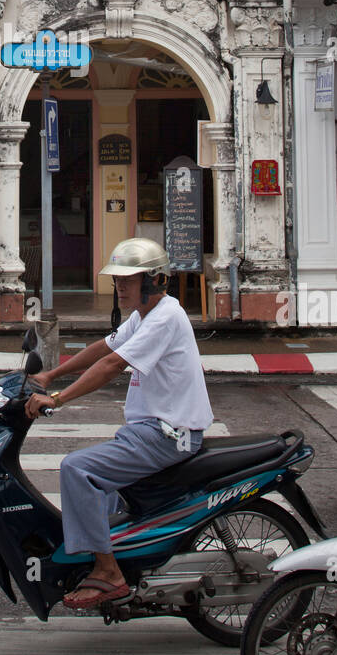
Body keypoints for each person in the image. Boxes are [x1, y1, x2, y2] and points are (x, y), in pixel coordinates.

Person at [25, 237, 213, 611]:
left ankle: (109, 572)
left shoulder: (166, 318)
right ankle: (114, 553)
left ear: (155, 281)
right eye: (118, 280)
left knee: (77, 470)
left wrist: (58, 399)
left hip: (168, 433)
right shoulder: (143, 317)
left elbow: (112, 366)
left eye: (128, 279)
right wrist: (49, 376)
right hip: (150, 431)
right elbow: (104, 348)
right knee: (103, 487)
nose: (119, 286)